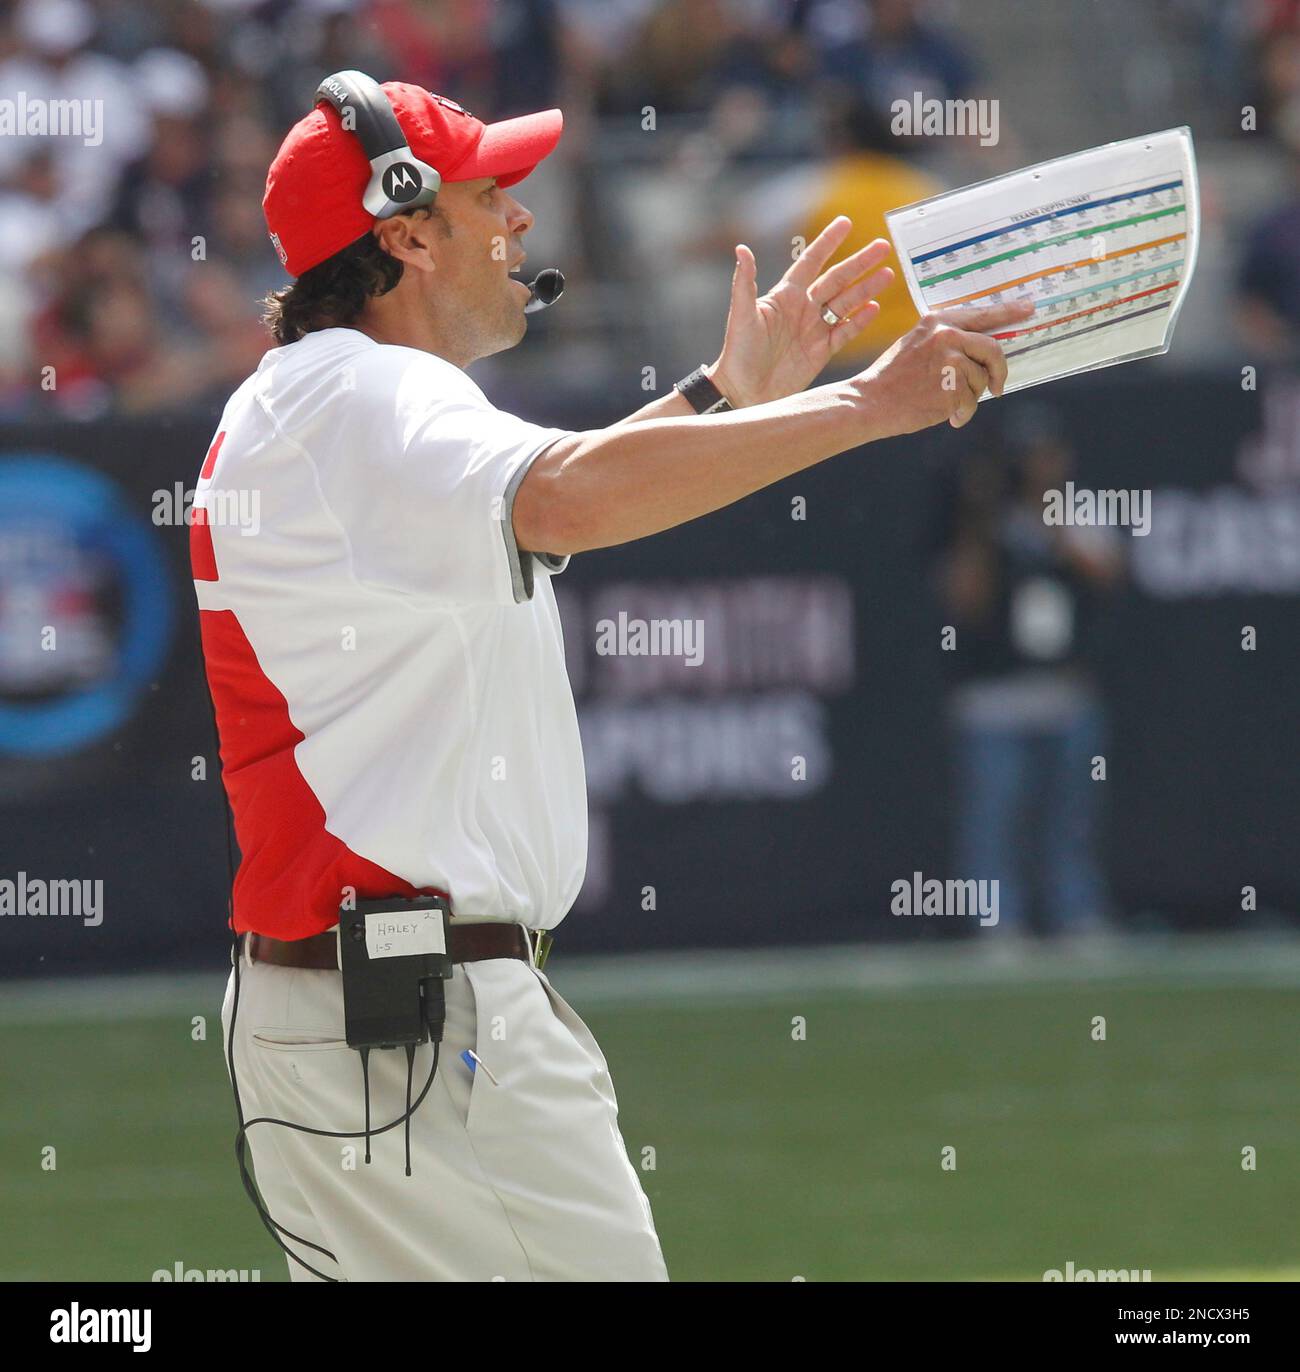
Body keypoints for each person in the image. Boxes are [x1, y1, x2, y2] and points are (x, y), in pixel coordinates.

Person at [196, 73, 1030, 1282]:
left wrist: (723, 396)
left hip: (358, 1006)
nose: (521, 221)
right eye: (493, 195)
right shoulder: (369, 391)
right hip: (411, 1012)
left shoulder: (313, 399)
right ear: (406, 230)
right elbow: (563, 496)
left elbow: (548, 505)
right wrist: (863, 404)